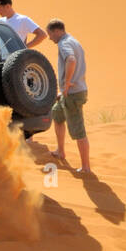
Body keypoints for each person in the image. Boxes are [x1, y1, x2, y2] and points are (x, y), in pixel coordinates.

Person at [46, 19, 90, 176]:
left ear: (57, 31)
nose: (50, 38)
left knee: (78, 131)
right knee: (57, 114)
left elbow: (71, 60)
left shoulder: (64, 43)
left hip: (73, 93)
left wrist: (67, 84)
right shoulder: (74, 41)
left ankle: (86, 167)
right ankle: (60, 151)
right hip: (72, 91)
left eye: (50, 34)